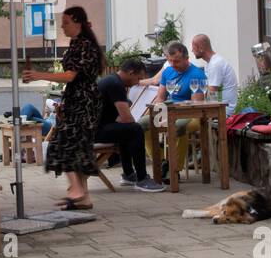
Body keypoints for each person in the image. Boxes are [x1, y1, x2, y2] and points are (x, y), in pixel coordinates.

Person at [21, 5, 103, 210]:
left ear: (77, 22)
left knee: (65, 143)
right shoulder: (79, 43)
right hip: (79, 100)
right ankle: (83, 197)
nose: (62, 27)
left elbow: (70, 76)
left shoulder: (84, 45)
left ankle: (76, 190)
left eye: (66, 22)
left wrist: (38, 75)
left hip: (83, 102)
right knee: (78, 146)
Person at [96, 57, 165, 191]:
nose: (137, 83)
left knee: (126, 130)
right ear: (131, 72)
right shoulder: (116, 85)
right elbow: (127, 118)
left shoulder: (111, 80)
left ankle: (128, 174)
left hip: (91, 129)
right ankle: (142, 178)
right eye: (138, 79)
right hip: (94, 132)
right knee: (135, 129)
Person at [144, 41, 207, 181]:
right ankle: (161, 163)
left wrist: (172, 114)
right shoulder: (168, 72)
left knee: (177, 126)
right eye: (170, 61)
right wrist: (155, 113)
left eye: (176, 61)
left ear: (186, 58)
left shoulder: (197, 75)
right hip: (169, 111)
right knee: (142, 125)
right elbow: (160, 97)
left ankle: (174, 168)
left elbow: (195, 105)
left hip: (192, 114)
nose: (173, 65)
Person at [191, 34, 238, 113]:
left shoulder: (215, 64)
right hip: (220, 108)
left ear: (201, 48)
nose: (192, 51)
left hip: (224, 112)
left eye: (194, 48)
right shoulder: (210, 63)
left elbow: (212, 94)